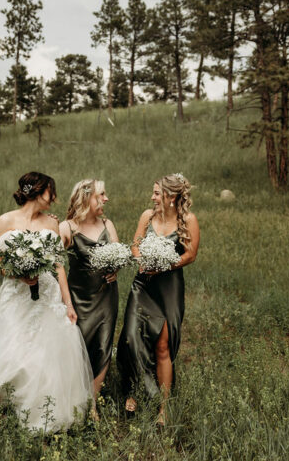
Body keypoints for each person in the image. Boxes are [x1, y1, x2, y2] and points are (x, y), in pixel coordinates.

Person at [0, 172, 93, 432]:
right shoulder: (5, 220)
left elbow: (58, 266)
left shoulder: (52, 224)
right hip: (15, 296)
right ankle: (8, 410)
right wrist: (19, 275)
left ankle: (41, 415)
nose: (54, 198)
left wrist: (68, 304)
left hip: (46, 295)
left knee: (44, 354)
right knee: (13, 350)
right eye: (50, 192)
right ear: (36, 191)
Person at [116, 173, 200, 426]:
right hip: (143, 285)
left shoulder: (188, 220)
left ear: (171, 197)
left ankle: (163, 407)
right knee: (132, 338)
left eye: (156, 193)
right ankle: (134, 389)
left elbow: (191, 254)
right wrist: (143, 260)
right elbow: (135, 244)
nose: (152, 198)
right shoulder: (147, 217)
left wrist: (165, 264)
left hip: (168, 289)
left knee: (162, 347)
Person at [59, 179, 120, 406]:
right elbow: (55, 264)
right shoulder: (67, 228)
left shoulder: (107, 224)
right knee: (78, 345)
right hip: (78, 297)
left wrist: (115, 269)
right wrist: (66, 302)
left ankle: (93, 403)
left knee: (104, 344)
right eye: (101, 195)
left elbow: (117, 253)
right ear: (87, 198)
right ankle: (73, 398)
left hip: (106, 296)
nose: (106, 199)